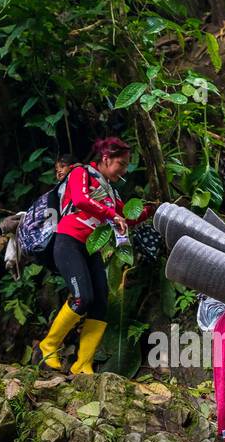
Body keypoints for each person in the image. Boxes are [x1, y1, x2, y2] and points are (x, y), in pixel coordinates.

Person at [33, 138, 148, 375]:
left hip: (90, 248)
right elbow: (80, 199)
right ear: (106, 159)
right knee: (81, 297)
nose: (124, 170)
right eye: (121, 164)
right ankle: (49, 345)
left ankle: (82, 363)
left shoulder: (111, 191)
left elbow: (126, 216)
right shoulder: (80, 173)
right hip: (68, 241)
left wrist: (153, 209)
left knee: (100, 303)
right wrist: (110, 214)